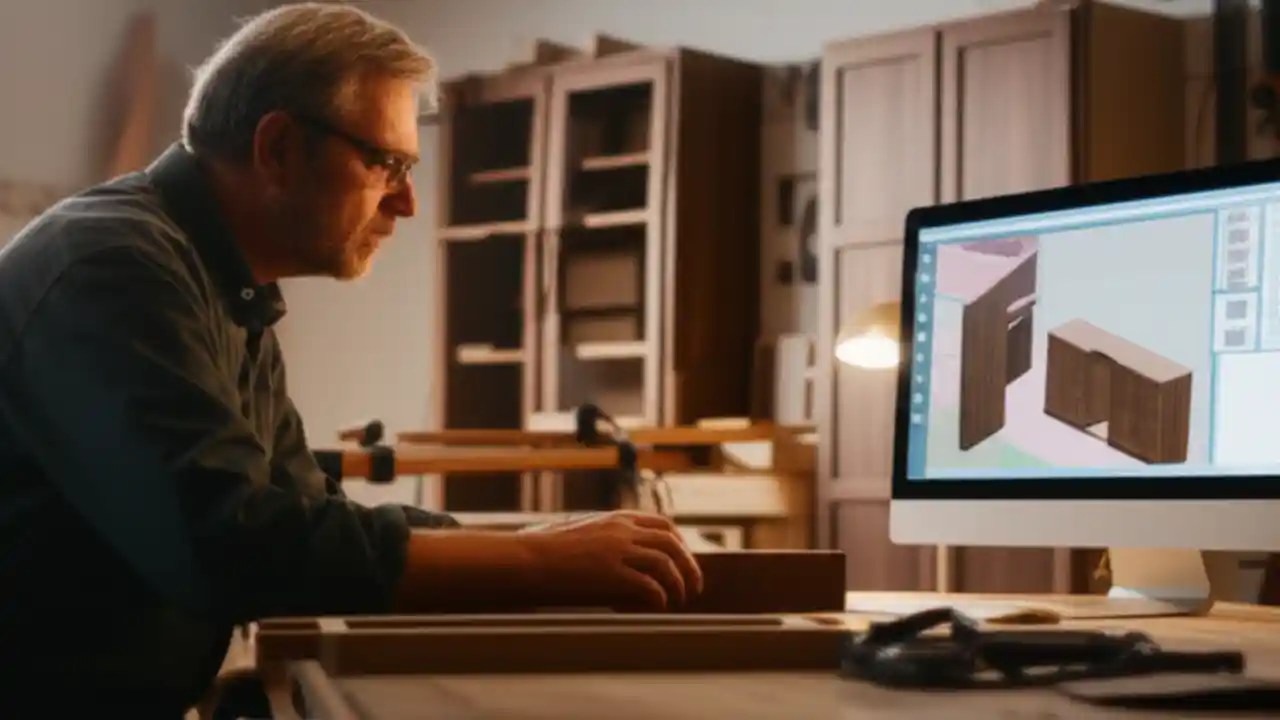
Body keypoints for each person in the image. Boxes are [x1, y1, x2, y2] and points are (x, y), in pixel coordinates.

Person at [0, 3, 701, 715]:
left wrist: (533, 545)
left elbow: (305, 508)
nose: (407, 202)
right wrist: (537, 562)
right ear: (278, 147)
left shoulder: (228, 290)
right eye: (387, 164)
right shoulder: (114, 266)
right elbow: (231, 543)